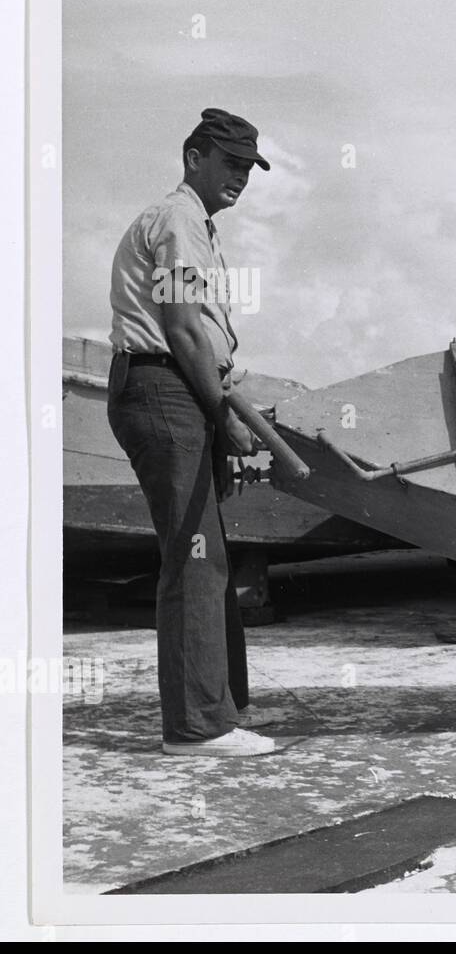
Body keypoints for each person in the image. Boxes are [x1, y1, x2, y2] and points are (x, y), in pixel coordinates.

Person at [106, 108, 277, 756]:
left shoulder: (198, 228)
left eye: (248, 168)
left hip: (178, 388)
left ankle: (219, 711)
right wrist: (221, 414)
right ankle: (197, 727)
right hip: (163, 386)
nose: (240, 178)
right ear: (193, 157)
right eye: (230, 163)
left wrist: (217, 409)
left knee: (209, 555)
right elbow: (180, 328)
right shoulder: (178, 220)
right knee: (194, 557)